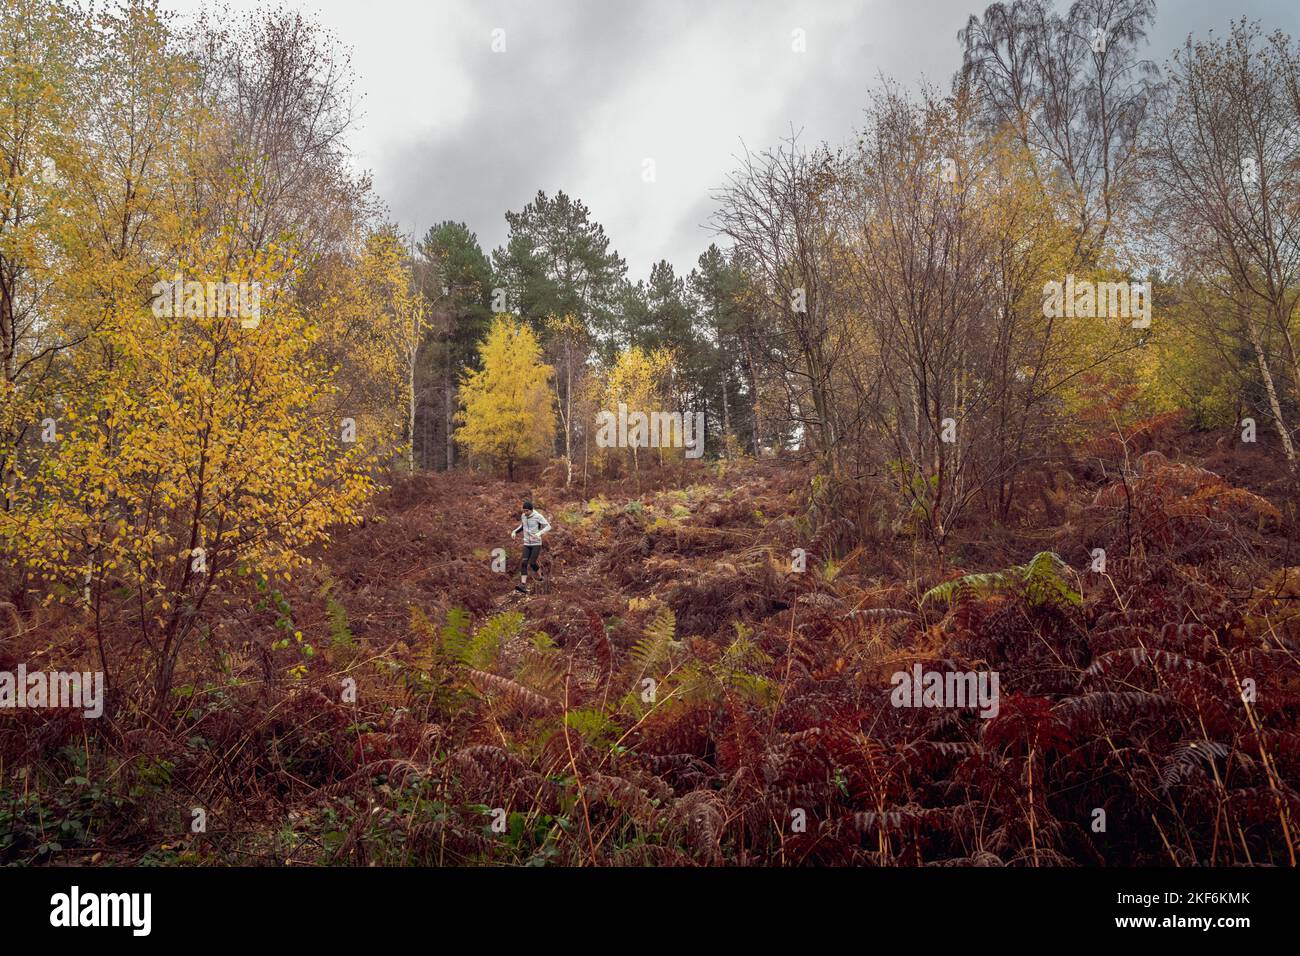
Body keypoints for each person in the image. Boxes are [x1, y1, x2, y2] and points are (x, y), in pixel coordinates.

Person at [510, 500, 551, 593]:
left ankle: (541, 577)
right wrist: (514, 531)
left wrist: (539, 533)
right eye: (523, 511)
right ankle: (523, 585)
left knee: (532, 562)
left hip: (536, 544)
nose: (525, 513)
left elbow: (548, 526)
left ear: (531, 510)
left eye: (527, 511)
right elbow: (522, 526)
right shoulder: (523, 516)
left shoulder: (538, 516)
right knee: (524, 563)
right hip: (527, 543)